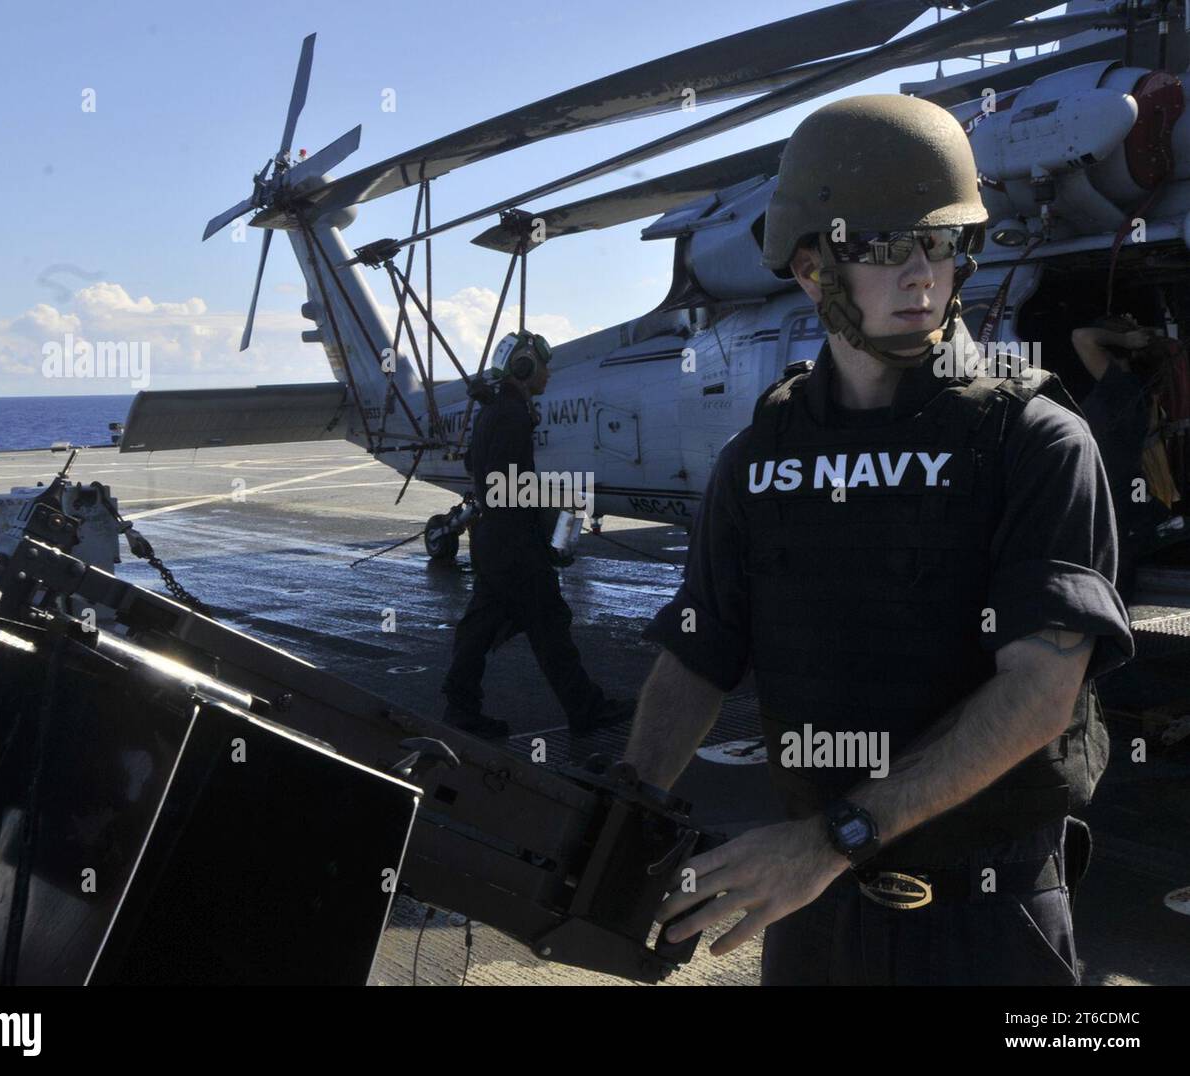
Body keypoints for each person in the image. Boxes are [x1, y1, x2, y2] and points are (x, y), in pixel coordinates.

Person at [625, 94, 1135, 985]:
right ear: (809, 265)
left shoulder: (1036, 442)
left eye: (942, 245)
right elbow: (699, 654)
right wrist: (623, 814)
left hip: (990, 916)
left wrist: (831, 839)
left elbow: (1042, 695)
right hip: (818, 920)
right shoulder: (760, 460)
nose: (923, 278)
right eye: (887, 248)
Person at [440, 331, 634, 739]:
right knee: (549, 625)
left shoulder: (497, 411)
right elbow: (506, 484)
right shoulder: (509, 414)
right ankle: (585, 710)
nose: (549, 373)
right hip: (515, 545)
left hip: (493, 541)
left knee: (480, 628)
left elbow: (479, 467)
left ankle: (460, 708)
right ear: (524, 367)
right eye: (544, 365)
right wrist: (568, 500)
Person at [1073, 315, 1183, 601]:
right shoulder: (1134, 391)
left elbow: (1082, 336)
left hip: (1110, 489)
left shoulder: (1120, 387)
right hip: (1118, 489)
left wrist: (1125, 339)